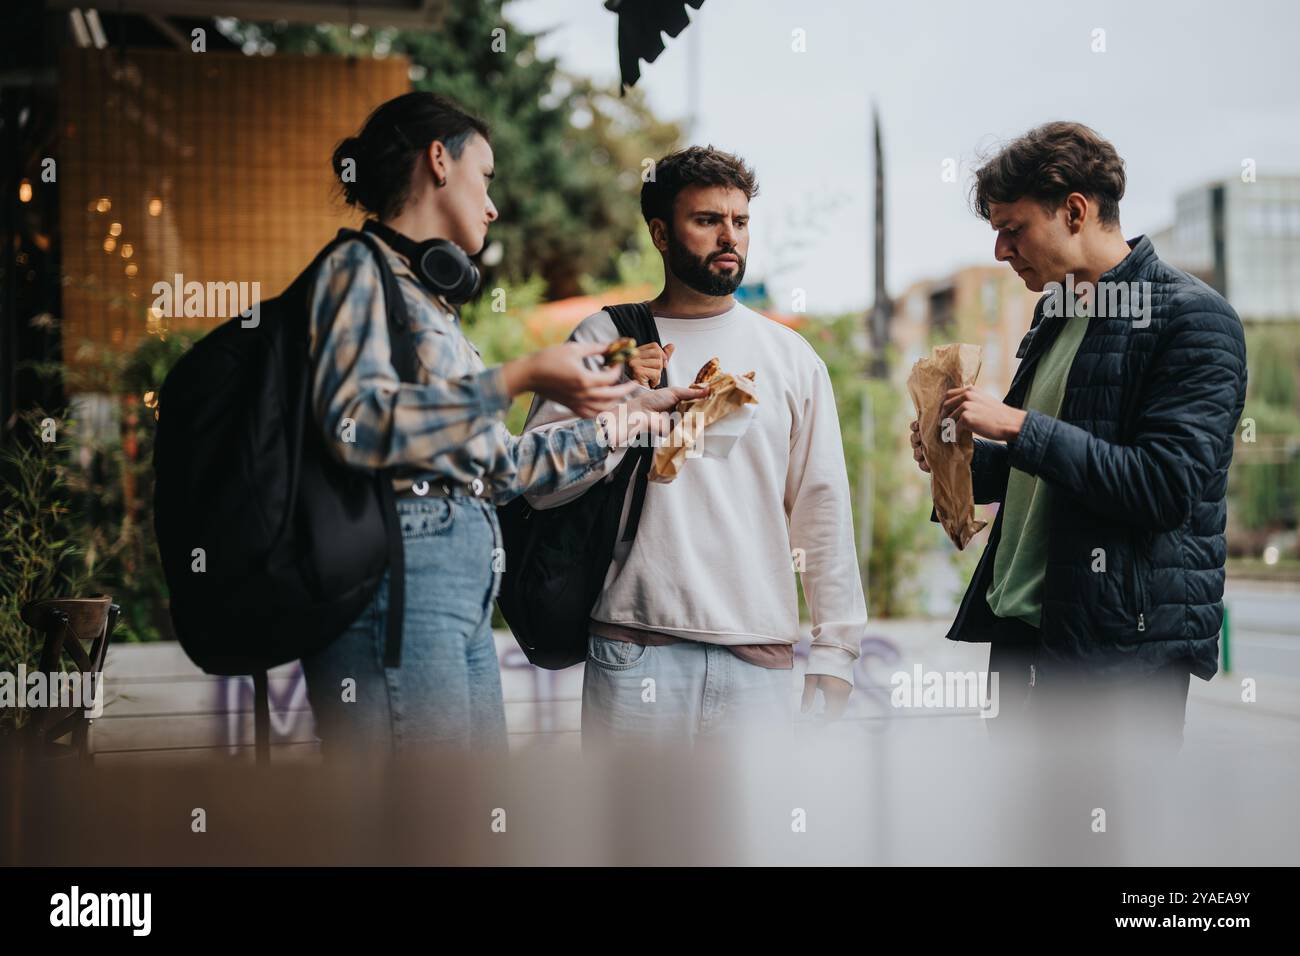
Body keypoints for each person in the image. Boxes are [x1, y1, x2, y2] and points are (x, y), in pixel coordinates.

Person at [300, 92, 703, 759]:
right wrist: (515, 377)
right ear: (438, 160)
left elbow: (502, 471)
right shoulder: (355, 273)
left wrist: (631, 416)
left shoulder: (432, 306)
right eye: (484, 177)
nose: (491, 205)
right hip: (395, 576)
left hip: (456, 584)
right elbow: (357, 425)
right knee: (419, 824)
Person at [910, 121, 1247, 755]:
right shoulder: (1056, 311)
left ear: (1074, 211)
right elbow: (1031, 472)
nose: (1001, 252)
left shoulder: (1192, 318)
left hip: (1118, 659)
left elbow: (1163, 489)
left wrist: (1016, 424)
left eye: (1014, 229)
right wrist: (953, 454)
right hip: (1020, 637)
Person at [523, 146, 868, 747]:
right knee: (634, 842)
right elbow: (536, 483)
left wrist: (836, 649)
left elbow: (822, 506)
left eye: (739, 221)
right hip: (634, 649)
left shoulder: (790, 357)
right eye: (707, 221)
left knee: (752, 843)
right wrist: (624, 403)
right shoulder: (608, 339)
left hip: (758, 658)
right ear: (660, 233)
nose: (728, 236)